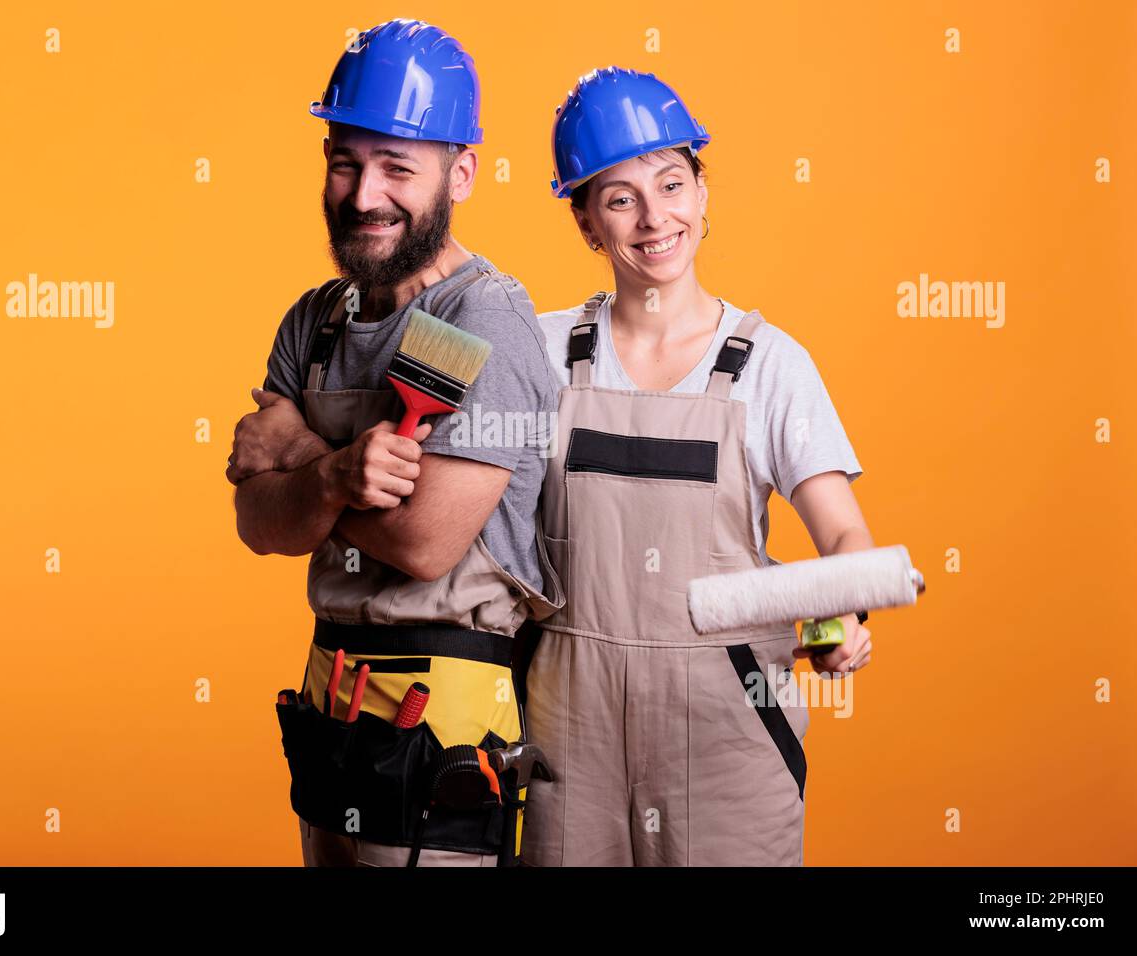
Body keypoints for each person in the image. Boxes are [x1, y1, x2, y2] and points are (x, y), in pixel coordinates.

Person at [225, 18, 560, 867]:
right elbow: (258, 524)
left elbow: (425, 541)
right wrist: (337, 474)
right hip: (330, 708)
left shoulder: (484, 317)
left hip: (442, 726)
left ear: (463, 173)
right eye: (346, 161)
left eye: (397, 167)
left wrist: (304, 461)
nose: (365, 193)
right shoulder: (316, 319)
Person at [520, 67, 875, 867]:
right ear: (584, 221)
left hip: (728, 731)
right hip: (567, 740)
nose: (655, 218)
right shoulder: (539, 353)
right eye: (620, 198)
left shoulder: (772, 366)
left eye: (672, 184)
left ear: (703, 191)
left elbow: (845, 532)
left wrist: (839, 618)